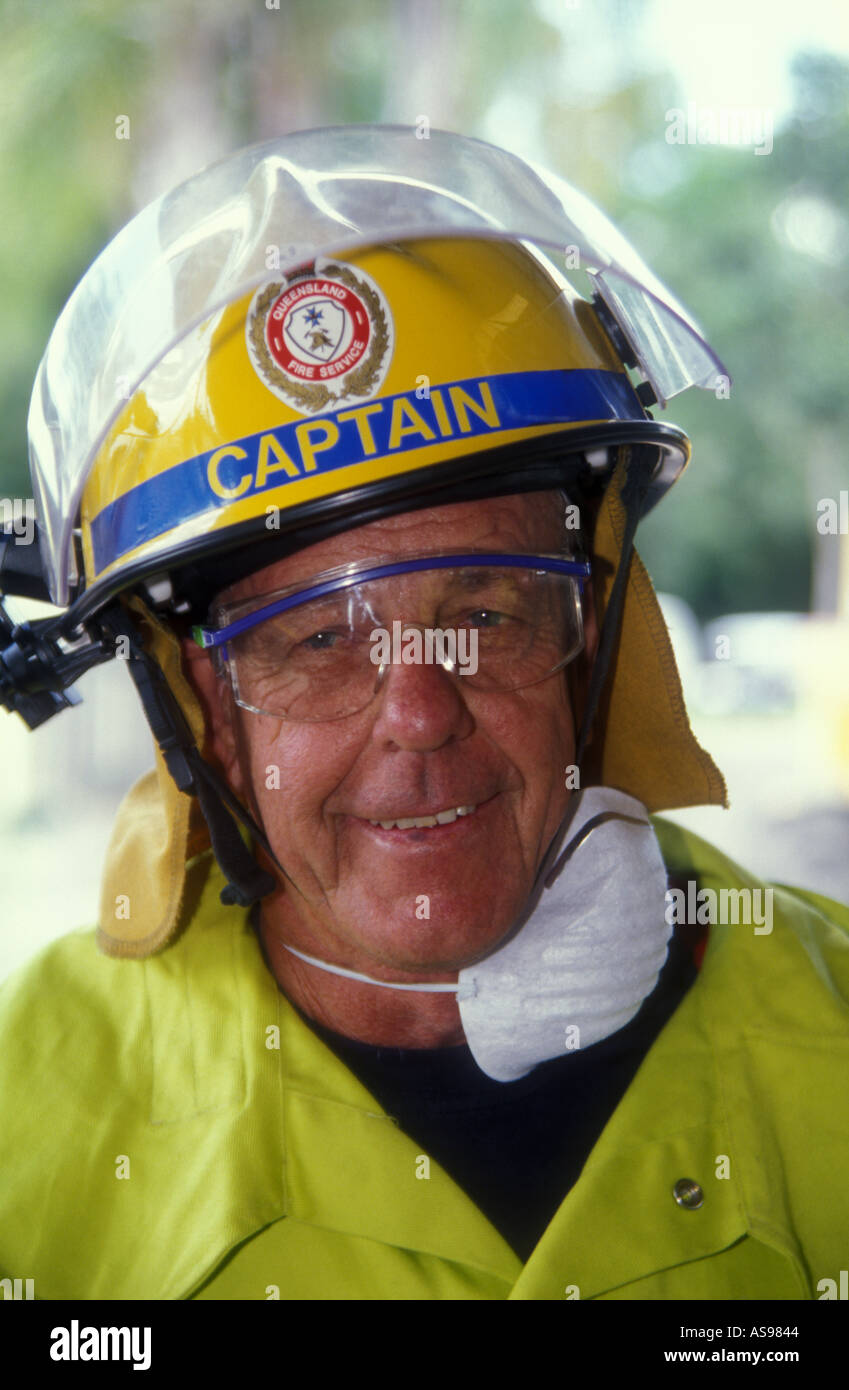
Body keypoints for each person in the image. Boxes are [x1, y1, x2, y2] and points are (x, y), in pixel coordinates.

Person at [1, 126, 847, 1302]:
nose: (420, 716)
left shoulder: (832, 1021)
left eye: (490, 614)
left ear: (594, 630)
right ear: (203, 709)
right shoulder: (25, 1107)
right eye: (315, 640)